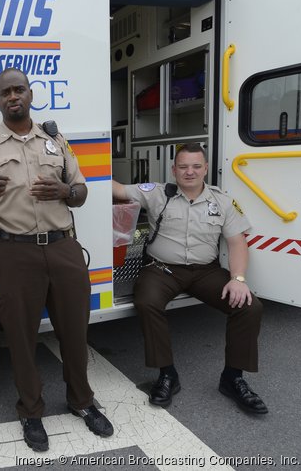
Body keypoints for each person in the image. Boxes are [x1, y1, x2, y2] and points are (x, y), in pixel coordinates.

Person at [0, 68, 113, 452]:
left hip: (63, 247)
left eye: (19, 89)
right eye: (6, 92)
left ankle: (82, 401)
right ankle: (30, 410)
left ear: (30, 94)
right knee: (21, 338)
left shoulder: (55, 140)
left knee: (74, 332)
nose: (13, 96)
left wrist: (64, 191)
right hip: (15, 253)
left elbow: (81, 192)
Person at [112, 143, 268, 415]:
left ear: (205, 168)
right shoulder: (157, 193)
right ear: (173, 170)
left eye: (196, 166)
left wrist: (238, 278)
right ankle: (167, 374)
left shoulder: (222, 202)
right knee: (147, 302)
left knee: (249, 306)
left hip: (205, 271)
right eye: (183, 167)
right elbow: (117, 190)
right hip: (162, 269)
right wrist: (80, 165)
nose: (189, 172)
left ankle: (233, 378)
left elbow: (237, 243)